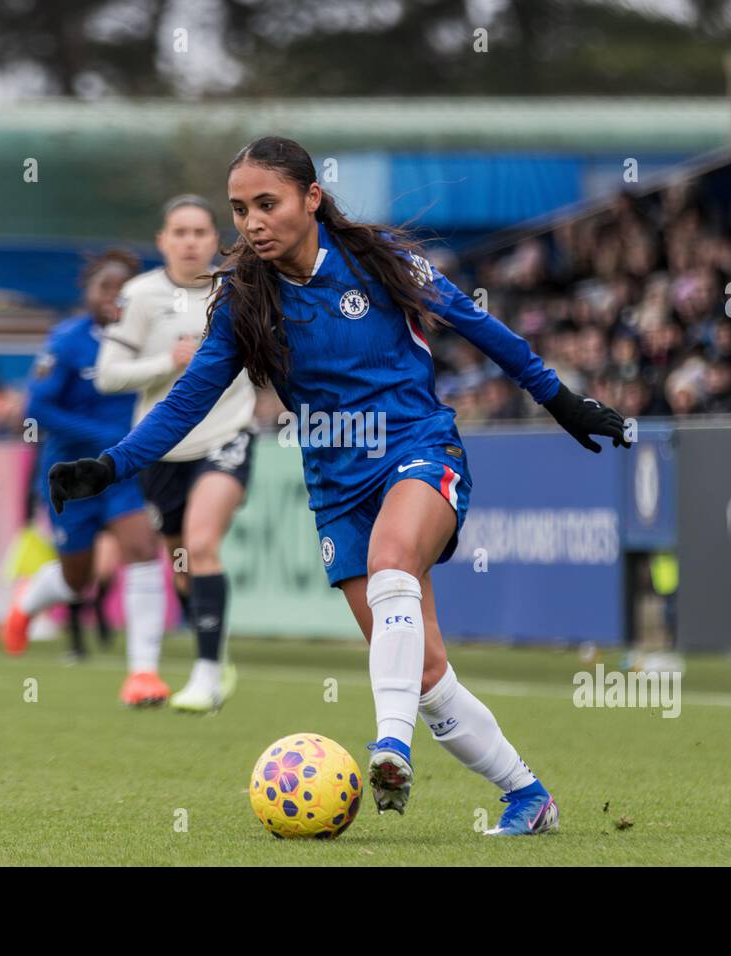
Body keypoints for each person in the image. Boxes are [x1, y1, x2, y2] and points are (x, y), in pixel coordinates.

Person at [48, 136, 630, 836]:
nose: (252, 222)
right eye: (241, 209)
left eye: (267, 204)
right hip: (334, 483)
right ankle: (526, 795)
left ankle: (390, 746)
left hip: (417, 448)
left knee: (393, 568)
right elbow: (185, 401)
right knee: (425, 672)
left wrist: (560, 399)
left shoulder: (377, 260)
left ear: (311, 198)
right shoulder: (243, 299)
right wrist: (112, 464)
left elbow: (480, 326)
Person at [95, 195, 256, 713]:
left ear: (216, 241)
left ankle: (206, 673)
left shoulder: (238, 291)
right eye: (179, 233)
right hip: (162, 448)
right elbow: (108, 374)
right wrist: (168, 361)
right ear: (162, 240)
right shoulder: (139, 296)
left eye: (200, 233)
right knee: (182, 561)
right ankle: (216, 656)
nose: (190, 242)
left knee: (201, 541)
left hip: (226, 435)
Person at [1, 250, 172, 708]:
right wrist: (106, 434)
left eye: (123, 289)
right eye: (104, 288)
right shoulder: (68, 341)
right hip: (71, 479)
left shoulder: (149, 340)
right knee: (80, 582)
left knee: (141, 549)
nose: (114, 297)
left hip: (121, 472)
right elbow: (36, 409)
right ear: (88, 293)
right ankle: (28, 601)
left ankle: (143, 674)